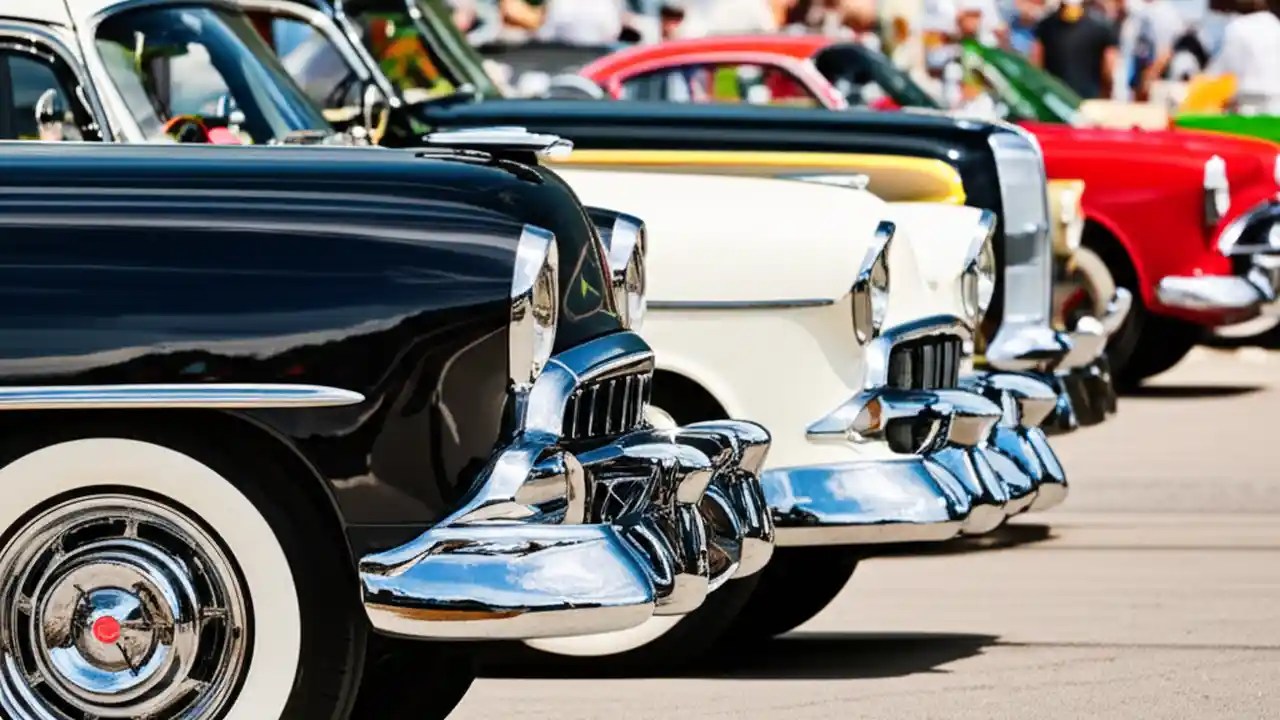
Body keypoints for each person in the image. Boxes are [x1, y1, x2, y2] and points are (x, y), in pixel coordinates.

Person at [1031, 0, 1119, 98]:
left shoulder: (1045, 25)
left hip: (1057, 99)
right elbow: (1109, 70)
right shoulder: (1102, 27)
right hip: (1083, 98)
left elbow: (1036, 65)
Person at [1205, 0, 1280, 113]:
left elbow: (1223, 70)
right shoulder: (1274, 24)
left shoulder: (1236, 27)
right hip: (1275, 98)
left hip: (1247, 99)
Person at [1123, 0, 1185, 100]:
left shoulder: (1168, 14)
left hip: (1155, 83)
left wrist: (1150, 77)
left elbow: (1166, 52)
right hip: (1132, 76)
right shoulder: (1132, 7)